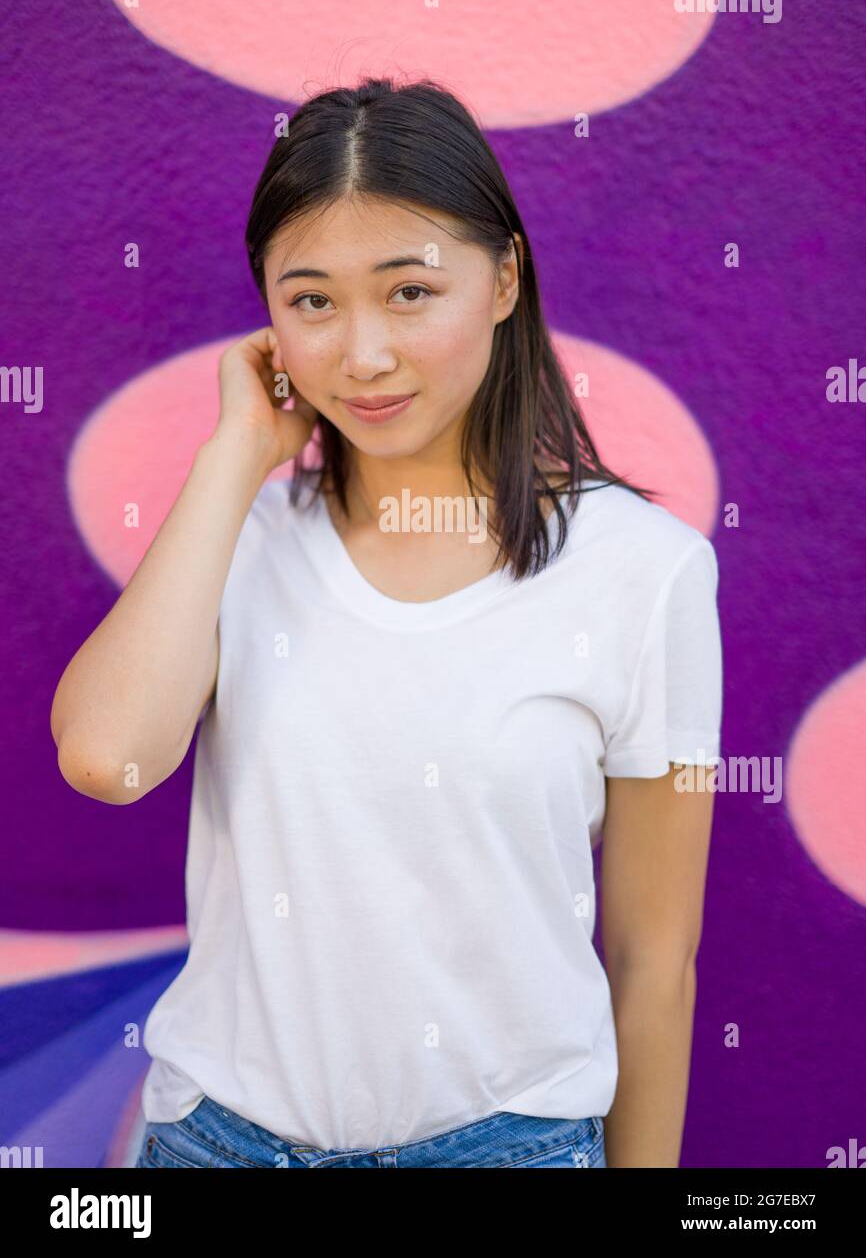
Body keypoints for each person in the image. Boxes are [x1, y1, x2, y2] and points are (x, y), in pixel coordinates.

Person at [51, 76, 723, 1169]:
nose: (360, 353)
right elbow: (106, 757)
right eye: (310, 301)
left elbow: (655, 957)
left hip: (507, 1150)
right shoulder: (234, 541)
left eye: (409, 292)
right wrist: (233, 462)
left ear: (503, 278)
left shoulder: (645, 574)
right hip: (217, 1147)